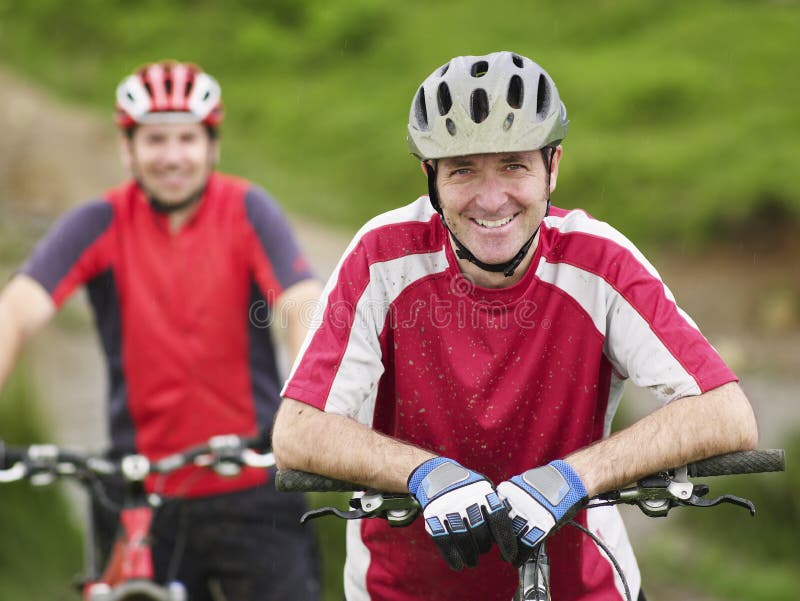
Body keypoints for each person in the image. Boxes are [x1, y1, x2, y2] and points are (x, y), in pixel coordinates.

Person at [271, 51, 759, 601]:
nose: (491, 198)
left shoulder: (599, 261)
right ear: (429, 178)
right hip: (403, 591)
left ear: (553, 167)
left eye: (513, 165)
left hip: (584, 588)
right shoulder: (381, 257)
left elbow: (725, 413)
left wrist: (572, 477)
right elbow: (299, 429)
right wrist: (425, 474)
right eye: (462, 170)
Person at [0, 60, 322, 600]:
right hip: (140, 496)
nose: (172, 156)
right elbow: (17, 311)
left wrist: (312, 415)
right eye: (154, 140)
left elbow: (302, 302)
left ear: (212, 145)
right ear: (127, 149)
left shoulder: (247, 209)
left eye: (186, 139)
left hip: (253, 483)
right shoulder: (96, 222)